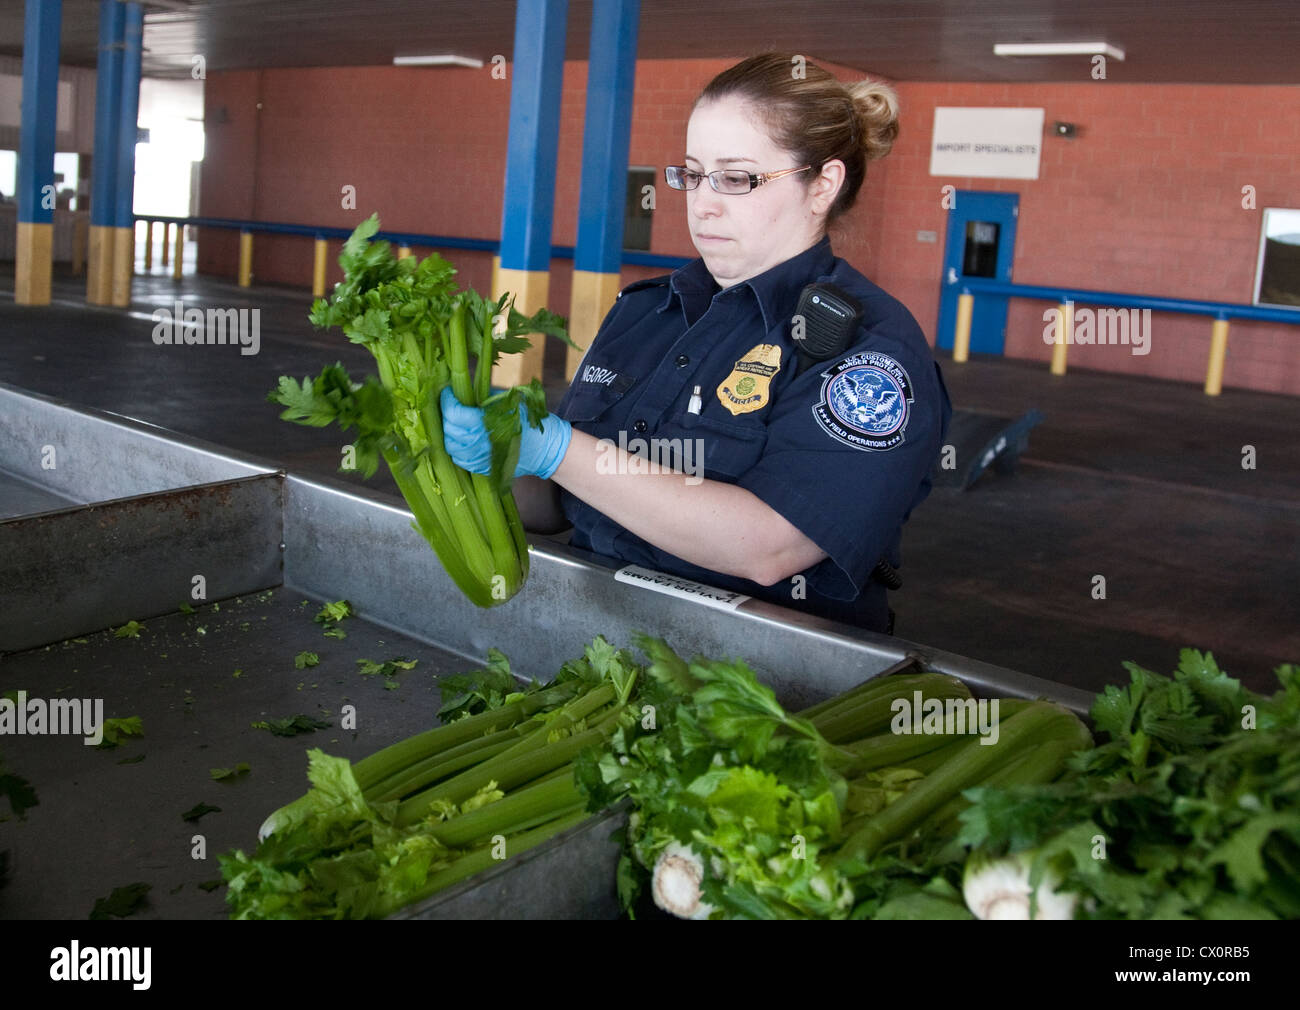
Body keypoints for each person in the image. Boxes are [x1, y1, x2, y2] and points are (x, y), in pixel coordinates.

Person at [441, 52, 951, 635]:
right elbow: (555, 505)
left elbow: (769, 547)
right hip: (592, 636)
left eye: (737, 178)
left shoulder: (868, 350)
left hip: (761, 678)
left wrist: (557, 450)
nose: (702, 202)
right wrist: (501, 453)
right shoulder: (646, 311)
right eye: (691, 173)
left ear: (822, 185)